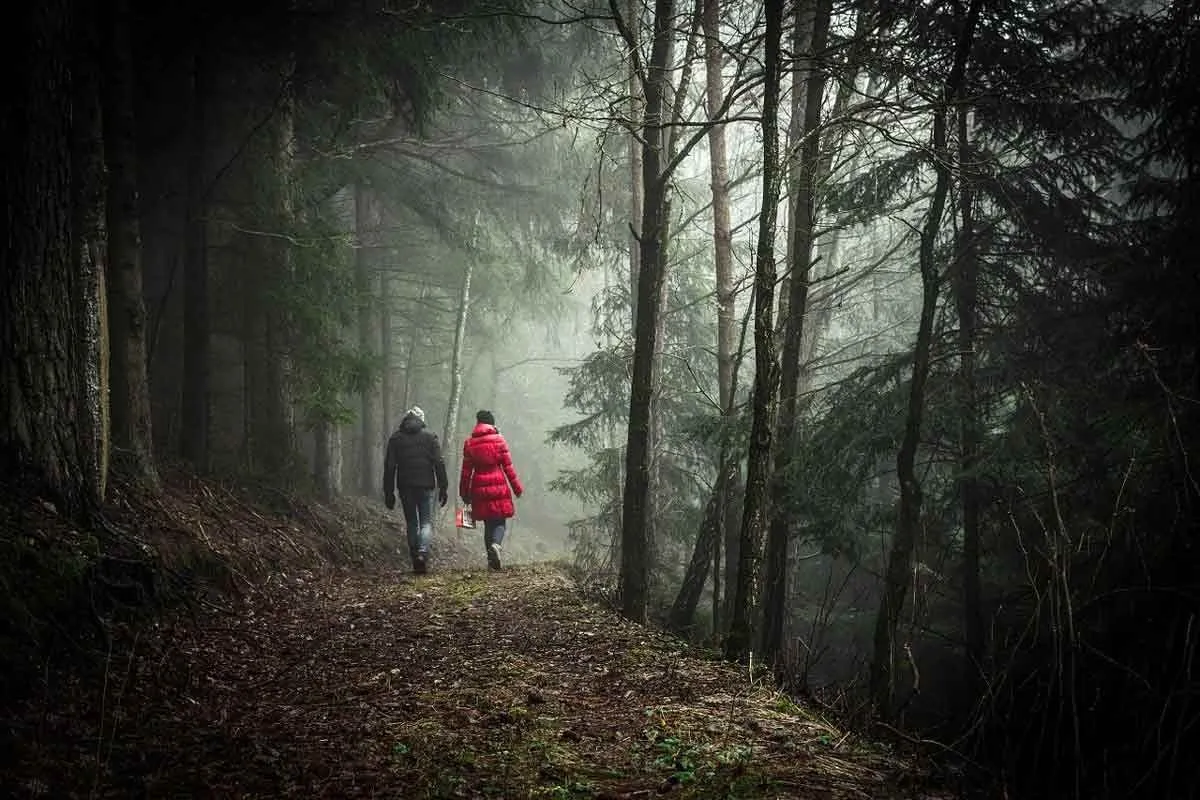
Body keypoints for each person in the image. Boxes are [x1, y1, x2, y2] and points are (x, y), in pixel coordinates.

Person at [383, 406, 448, 574]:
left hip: (405, 487)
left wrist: (388, 492)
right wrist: (444, 487)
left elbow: (389, 467)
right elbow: (439, 463)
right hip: (426, 486)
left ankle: (414, 556)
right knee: (426, 522)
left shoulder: (396, 439)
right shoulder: (430, 437)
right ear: (422, 420)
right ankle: (422, 553)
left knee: (412, 522)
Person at [460, 409, 523, 570]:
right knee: (500, 521)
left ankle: (491, 560)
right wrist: (517, 488)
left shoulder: (469, 443)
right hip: (498, 486)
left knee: (488, 523)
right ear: (492, 423)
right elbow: (508, 467)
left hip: (479, 487)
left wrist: (464, 492)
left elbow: (466, 471)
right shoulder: (499, 440)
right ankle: (496, 545)